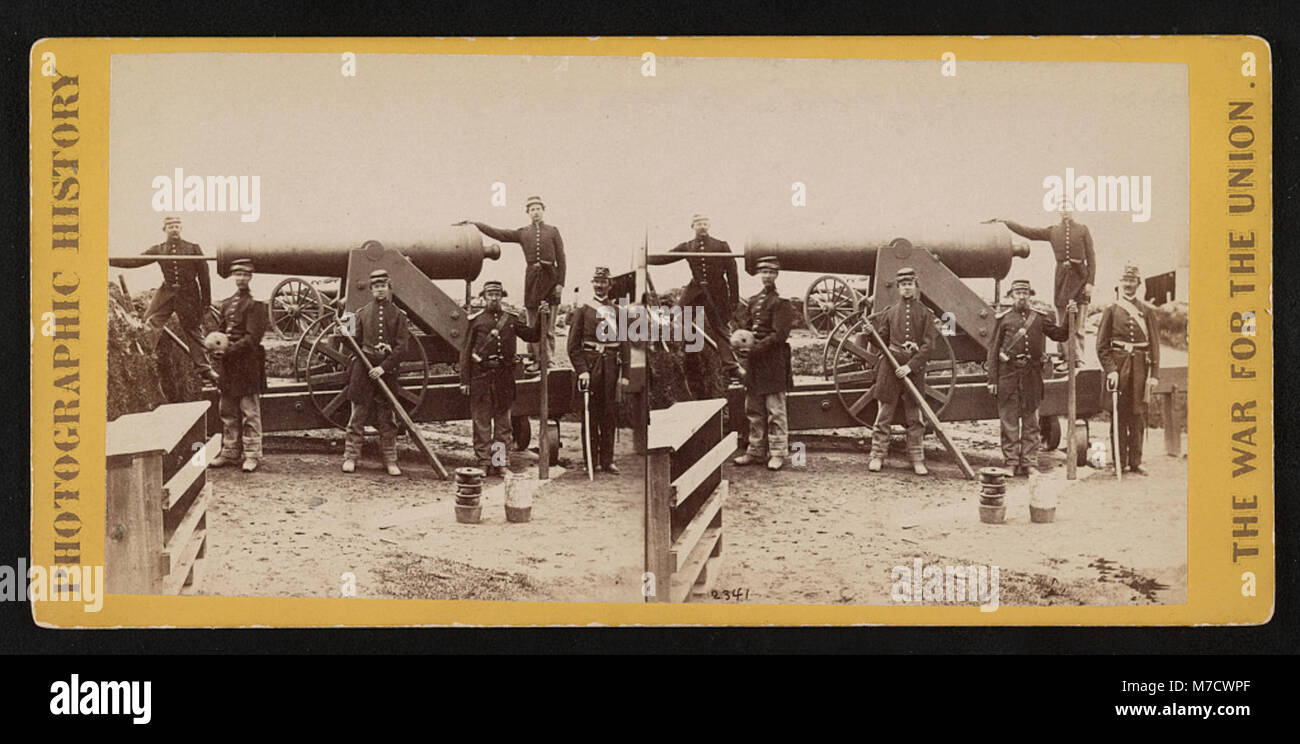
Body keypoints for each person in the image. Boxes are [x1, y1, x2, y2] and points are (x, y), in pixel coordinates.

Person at [455, 195, 565, 365]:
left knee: (548, 325)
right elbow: (500, 234)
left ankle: (548, 360)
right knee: (532, 322)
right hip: (532, 281)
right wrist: (476, 224)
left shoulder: (553, 231)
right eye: (532, 209)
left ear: (543, 210)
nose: (536, 212)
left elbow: (562, 258)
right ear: (528, 213)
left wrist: (560, 284)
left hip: (551, 279)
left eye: (538, 209)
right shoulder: (523, 233)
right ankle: (537, 360)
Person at [990, 202, 1096, 369]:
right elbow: (1030, 233)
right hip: (1062, 278)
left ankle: (1079, 359)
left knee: (1079, 323)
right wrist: (1007, 223)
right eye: (1062, 208)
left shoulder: (1083, 230)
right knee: (1062, 320)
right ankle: (1067, 358)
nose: (1065, 211)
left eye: (1068, 207)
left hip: (1080, 277)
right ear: (1058, 211)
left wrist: (1090, 282)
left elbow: (1091, 257)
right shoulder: (1053, 231)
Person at [114, 215, 216, 384]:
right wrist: (110, 261)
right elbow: (135, 261)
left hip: (188, 295)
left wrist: (206, 302)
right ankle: (144, 356)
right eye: (171, 227)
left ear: (181, 229)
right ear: (165, 230)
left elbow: (205, 277)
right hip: (166, 293)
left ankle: (205, 369)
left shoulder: (193, 249)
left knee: (193, 330)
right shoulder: (158, 249)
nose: (174, 229)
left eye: (177, 226)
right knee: (150, 322)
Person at [986, 279, 1072, 476]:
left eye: (1025, 293)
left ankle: (1030, 462)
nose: (1022, 296)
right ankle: (1011, 462)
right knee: (1009, 422)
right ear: (1012, 295)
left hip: (1031, 376)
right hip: (1008, 376)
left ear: (1030, 295)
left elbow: (1060, 335)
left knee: (1031, 422)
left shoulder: (1039, 318)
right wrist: (992, 380)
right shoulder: (1004, 319)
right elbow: (993, 351)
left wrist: (1069, 314)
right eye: (1018, 293)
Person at [459, 280, 545, 476]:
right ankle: (483, 462)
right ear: (484, 297)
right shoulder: (476, 321)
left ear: (502, 296)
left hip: (503, 379)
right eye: (490, 294)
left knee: (502, 425)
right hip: (481, 378)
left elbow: (532, 336)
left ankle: (500, 463)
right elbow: (465, 353)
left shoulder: (511, 320)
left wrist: (541, 315)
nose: (494, 298)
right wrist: (464, 381)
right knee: (481, 424)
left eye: (497, 294)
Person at [647, 213, 740, 380]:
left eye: (705, 223)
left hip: (717, 292)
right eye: (698, 224)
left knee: (721, 328)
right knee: (678, 316)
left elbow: (732, 272)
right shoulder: (687, 246)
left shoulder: (721, 245)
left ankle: (731, 366)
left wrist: (734, 298)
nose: (702, 226)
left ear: (709, 226)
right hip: (696, 290)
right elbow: (666, 257)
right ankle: (687, 352)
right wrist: (645, 258)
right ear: (693, 227)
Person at [867, 267, 938, 476]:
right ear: (898, 288)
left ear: (915, 287)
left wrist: (911, 366)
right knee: (884, 415)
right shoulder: (889, 312)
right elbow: (881, 340)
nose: (907, 288)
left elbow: (929, 346)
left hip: (913, 371)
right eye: (903, 285)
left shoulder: (926, 314)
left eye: (910, 284)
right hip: (889, 369)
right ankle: (877, 456)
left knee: (915, 418)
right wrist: (870, 334)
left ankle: (917, 459)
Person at [342, 269, 412, 477]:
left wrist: (384, 367)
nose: (379, 290)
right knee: (357, 415)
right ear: (371, 290)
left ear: (389, 288)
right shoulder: (362, 313)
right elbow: (351, 342)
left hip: (386, 371)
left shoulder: (399, 316)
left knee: (387, 419)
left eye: (383, 286)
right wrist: (345, 332)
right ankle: (351, 457)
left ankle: (390, 459)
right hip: (363, 369)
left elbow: (402, 347)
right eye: (376, 287)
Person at [1096, 264, 1161, 475]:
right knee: (1119, 416)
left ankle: (1136, 461)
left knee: (1138, 416)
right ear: (1120, 283)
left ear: (1138, 284)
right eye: (1125, 280)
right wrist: (1111, 370)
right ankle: (1119, 462)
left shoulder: (1147, 311)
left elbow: (1155, 345)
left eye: (1132, 281)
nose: (1128, 284)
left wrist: (1154, 376)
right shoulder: (1111, 310)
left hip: (1141, 370)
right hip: (1119, 369)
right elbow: (1102, 347)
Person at [731, 256, 794, 471]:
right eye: (763, 272)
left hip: (773, 362)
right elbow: (748, 329)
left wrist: (754, 348)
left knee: (775, 411)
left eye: (771, 272)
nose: (766, 276)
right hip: (755, 365)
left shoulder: (781, 302)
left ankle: (777, 453)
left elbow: (780, 335)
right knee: (754, 409)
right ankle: (755, 451)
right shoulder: (753, 300)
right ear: (760, 275)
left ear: (777, 274)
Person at [568, 267, 631, 474]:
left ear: (609, 285)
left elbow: (625, 344)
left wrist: (626, 375)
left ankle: (607, 460)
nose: (600, 285)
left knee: (610, 414)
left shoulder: (618, 311)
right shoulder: (583, 310)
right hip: (591, 366)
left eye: (603, 282)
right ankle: (590, 461)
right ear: (592, 284)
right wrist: (582, 371)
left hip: (611, 367)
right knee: (591, 414)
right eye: (596, 282)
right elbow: (573, 346)